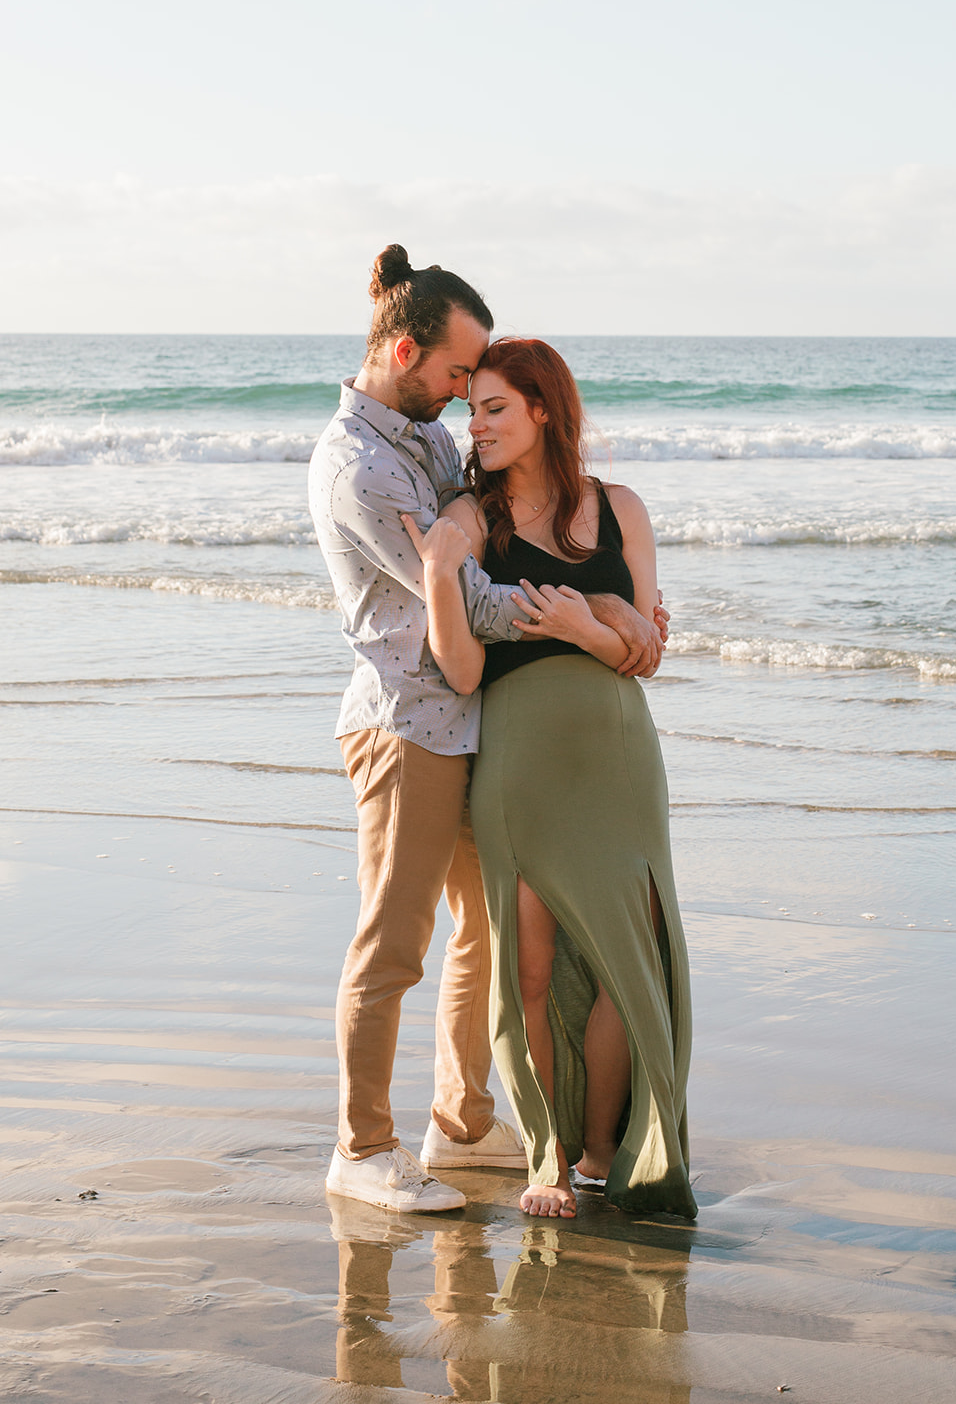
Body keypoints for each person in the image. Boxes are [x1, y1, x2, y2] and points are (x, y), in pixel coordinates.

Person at [309, 248, 665, 1214]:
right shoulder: (357, 466)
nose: (468, 393)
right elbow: (465, 593)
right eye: (457, 372)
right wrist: (603, 622)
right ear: (402, 348)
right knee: (394, 941)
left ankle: (462, 1123)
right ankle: (363, 1146)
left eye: (479, 381)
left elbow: (496, 531)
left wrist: (619, 619)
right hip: (409, 725)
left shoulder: (421, 437)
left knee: (482, 937)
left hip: (472, 724)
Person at [404, 338, 696, 1221]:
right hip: (520, 758)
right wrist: (443, 577)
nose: (477, 425)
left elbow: (644, 652)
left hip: (617, 755)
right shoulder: (467, 515)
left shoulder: (621, 509)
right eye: (470, 409)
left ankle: (606, 1151)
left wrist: (589, 622)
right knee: (526, 971)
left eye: (495, 408)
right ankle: (546, 1163)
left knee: (624, 958)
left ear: (542, 411)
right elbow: (459, 660)